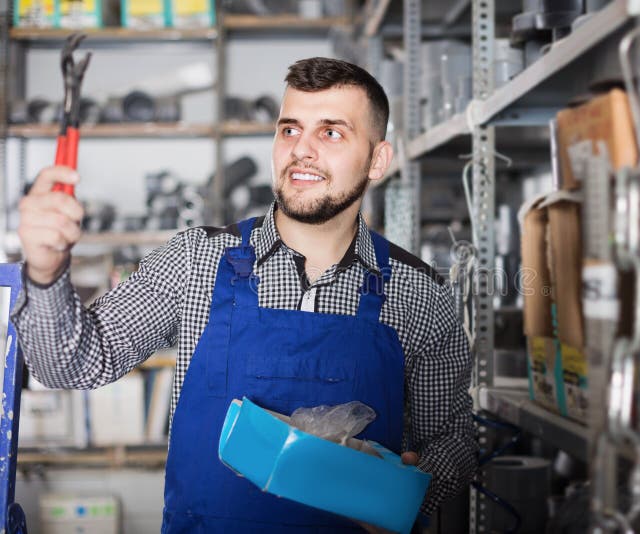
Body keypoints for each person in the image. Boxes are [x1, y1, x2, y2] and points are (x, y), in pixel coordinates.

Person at [12, 57, 477, 532]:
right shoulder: (195, 261)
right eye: (290, 130)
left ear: (378, 159)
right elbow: (70, 364)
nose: (302, 151)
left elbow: (454, 437)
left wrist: (406, 496)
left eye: (331, 133)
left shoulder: (418, 294)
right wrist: (46, 273)